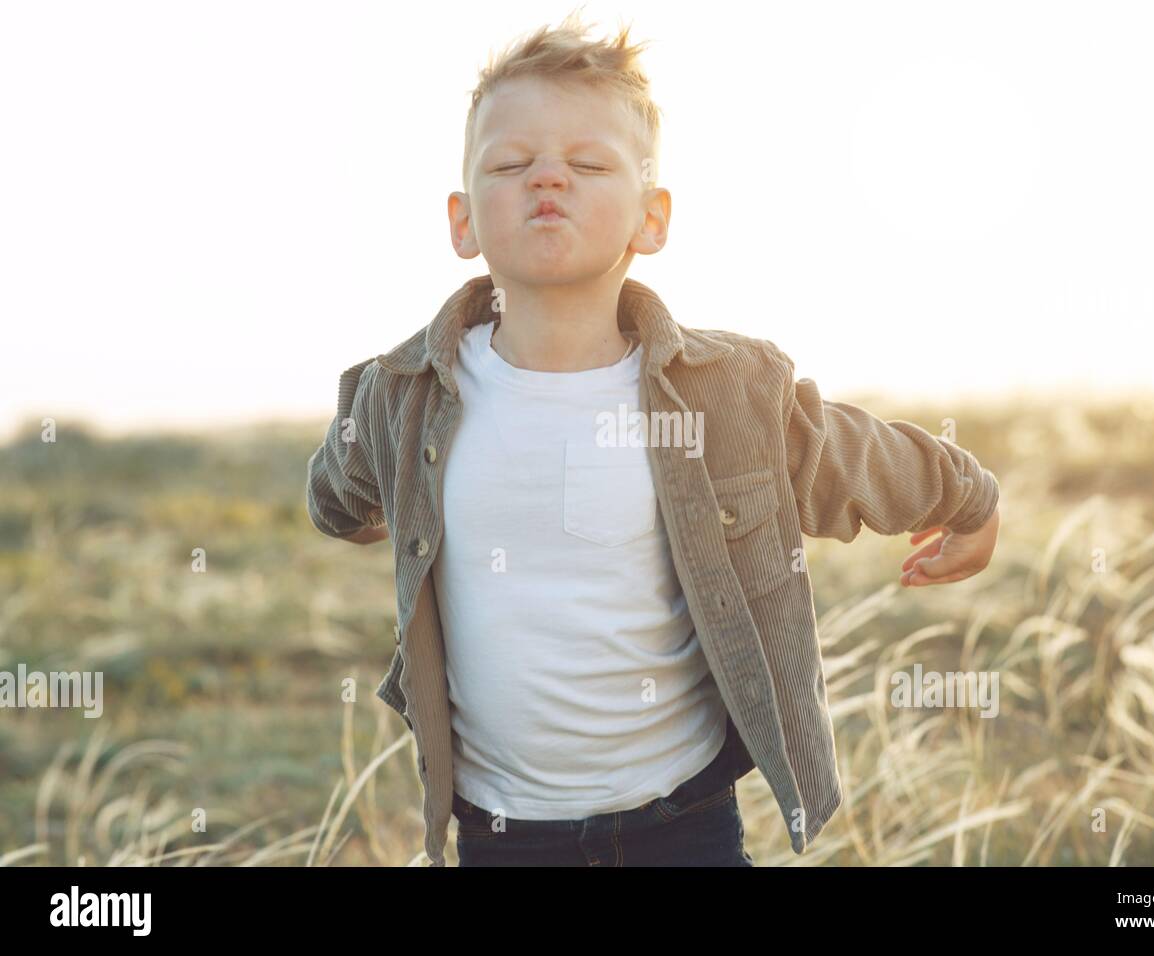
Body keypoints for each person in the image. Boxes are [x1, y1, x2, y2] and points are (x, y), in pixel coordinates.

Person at [307, 11, 1001, 867]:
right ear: (462, 222)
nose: (547, 180)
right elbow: (341, 493)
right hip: (503, 834)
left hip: (683, 825)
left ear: (652, 219)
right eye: (512, 164)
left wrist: (969, 497)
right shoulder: (401, 395)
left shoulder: (727, 394)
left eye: (589, 164)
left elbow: (850, 456)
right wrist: (379, 507)